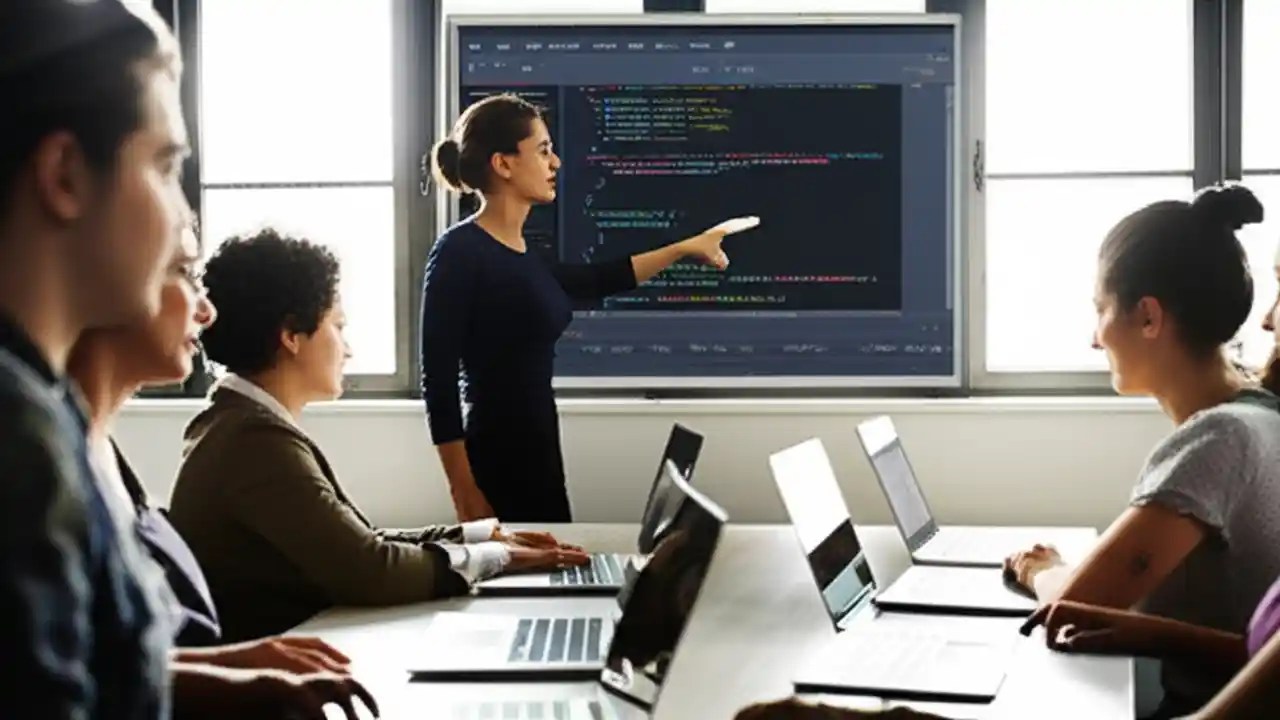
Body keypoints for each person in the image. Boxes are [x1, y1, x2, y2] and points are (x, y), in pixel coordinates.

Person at [0, 2, 374, 717]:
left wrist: (232, 676)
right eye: (167, 167)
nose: (181, 216)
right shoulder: (20, 436)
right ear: (66, 175)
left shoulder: (43, 414)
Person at [169, 228, 587, 642]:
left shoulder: (241, 423)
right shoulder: (252, 440)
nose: (347, 349)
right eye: (338, 326)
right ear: (291, 336)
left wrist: (479, 537)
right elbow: (371, 568)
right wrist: (497, 557)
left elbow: (361, 543)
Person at [1004, 184, 1280, 716]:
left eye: (1101, 309)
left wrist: (1042, 569)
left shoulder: (1219, 440)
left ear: (1149, 317)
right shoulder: (1261, 411)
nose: (1095, 337)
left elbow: (1070, 611)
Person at [422, 93, 757, 522]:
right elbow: (438, 382)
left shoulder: (526, 254)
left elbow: (601, 278)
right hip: (496, 460)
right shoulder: (458, 251)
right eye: (543, 151)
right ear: (503, 164)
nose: (556, 163)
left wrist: (686, 248)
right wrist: (464, 494)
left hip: (540, 454)